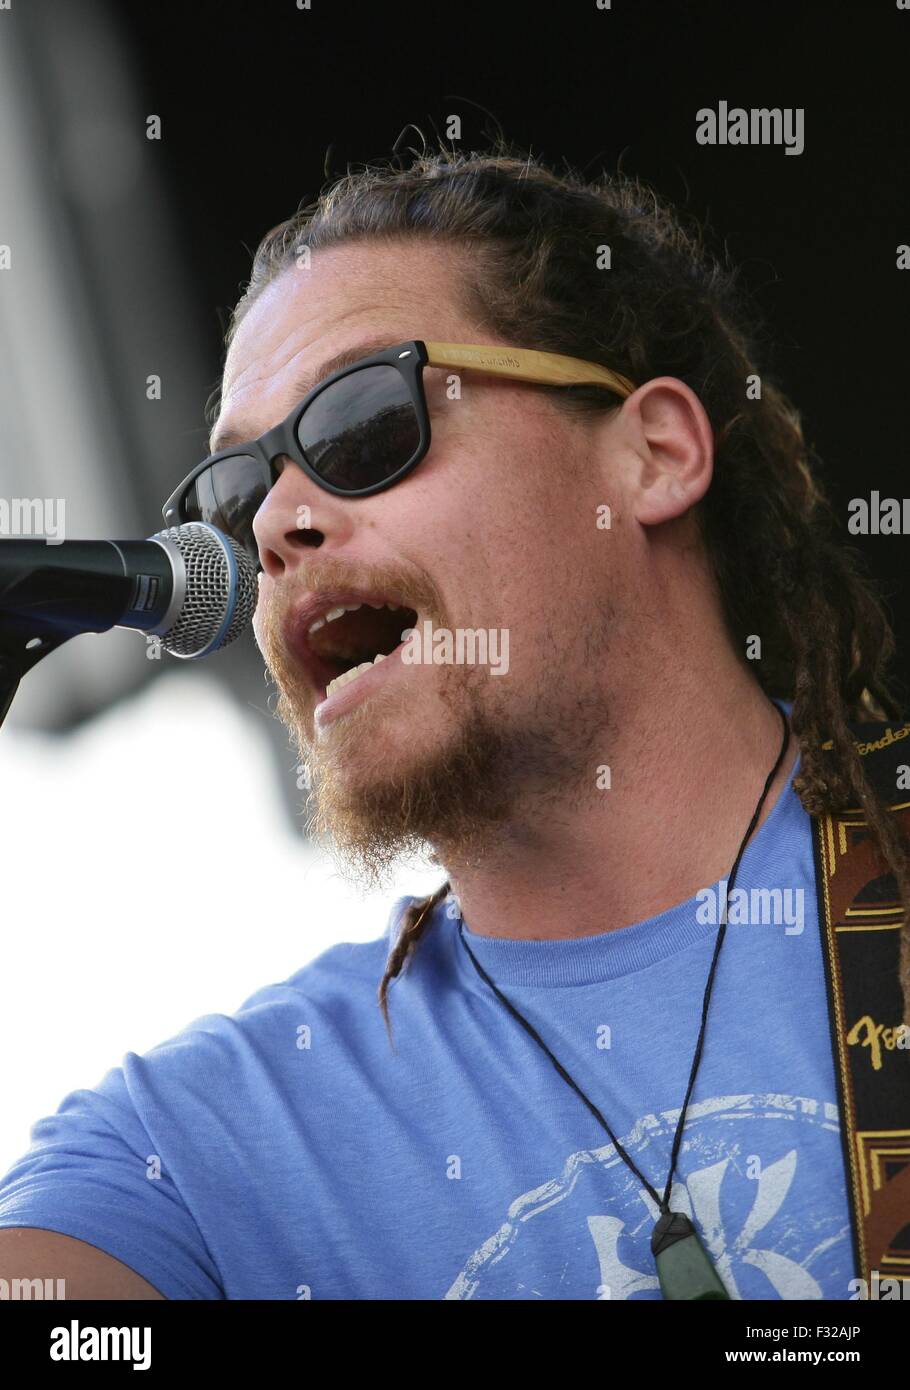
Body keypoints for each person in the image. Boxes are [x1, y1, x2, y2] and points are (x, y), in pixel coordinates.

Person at [1, 140, 908, 1300]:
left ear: (653, 453)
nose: (275, 523)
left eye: (360, 426)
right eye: (233, 496)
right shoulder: (188, 1152)